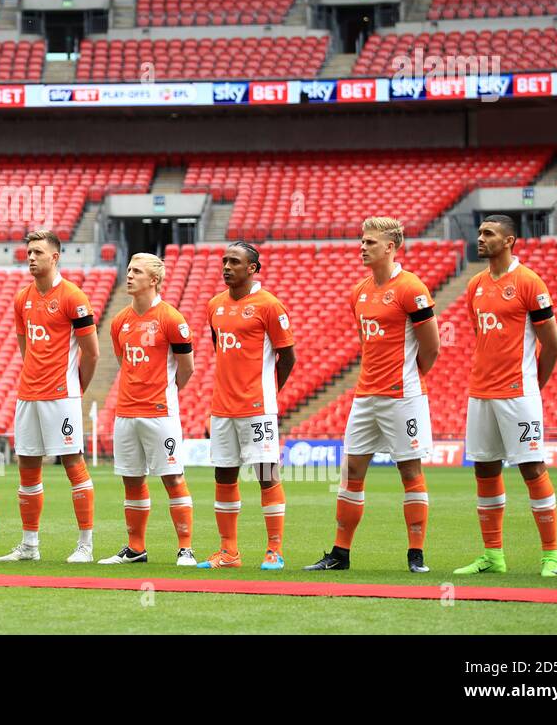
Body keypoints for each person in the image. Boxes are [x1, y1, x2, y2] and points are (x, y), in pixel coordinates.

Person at [306, 217, 440, 573]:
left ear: (391, 247)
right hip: (365, 395)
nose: (362, 247)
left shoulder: (412, 288)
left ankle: (416, 555)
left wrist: (408, 378)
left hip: (402, 395)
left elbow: (431, 348)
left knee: (410, 471)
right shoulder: (359, 292)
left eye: (370, 242)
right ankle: (340, 554)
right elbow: (368, 345)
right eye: (362, 241)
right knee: (351, 470)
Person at [454, 216, 557, 578]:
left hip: (518, 394)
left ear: (510, 240)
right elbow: (481, 335)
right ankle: (492, 555)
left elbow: (552, 345)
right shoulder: (475, 285)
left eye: (489, 234)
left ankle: (551, 557)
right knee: (485, 469)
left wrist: (533, 386)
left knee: (532, 469)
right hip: (480, 392)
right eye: (480, 232)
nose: (480, 238)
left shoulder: (529, 282)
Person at [0, 230, 100, 563]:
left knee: (73, 464)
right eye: (28, 251)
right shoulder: (21, 298)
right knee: (26, 466)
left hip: (61, 395)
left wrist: (75, 389)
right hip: (28, 394)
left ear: (54, 257)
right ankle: (29, 545)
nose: (31, 257)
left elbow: (92, 353)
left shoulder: (73, 296)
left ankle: (85, 544)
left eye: (38, 252)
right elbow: (25, 345)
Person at [202, 242, 295, 570]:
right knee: (223, 476)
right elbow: (220, 352)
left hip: (257, 409)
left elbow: (288, 357)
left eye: (235, 262)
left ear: (252, 268)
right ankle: (229, 552)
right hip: (223, 409)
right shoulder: (214, 306)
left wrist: (268, 393)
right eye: (225, 260)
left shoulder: (270, 306)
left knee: (267, 475)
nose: (227, 266)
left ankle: (274, 550)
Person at [97, 254, 196, 566]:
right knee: (132, 479)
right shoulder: (118, 322)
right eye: (128, 270)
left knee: (173, 478)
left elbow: (187, 369)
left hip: (159, 413)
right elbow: (125, 360)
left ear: (153, 280)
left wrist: (163, 391)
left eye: (136, 272)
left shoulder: (171, 318)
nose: (129, 276)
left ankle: (185, 549)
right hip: (125, 413)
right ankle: (135, 548)